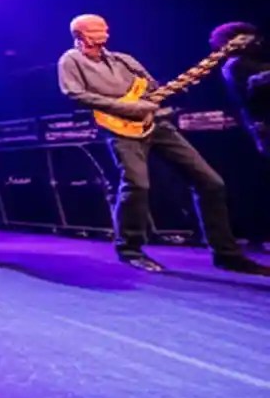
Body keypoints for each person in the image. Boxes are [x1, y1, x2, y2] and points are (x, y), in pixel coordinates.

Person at [57, 14, 266, 274]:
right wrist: (125, 108)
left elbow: (152, 88)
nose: (105, 33)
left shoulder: (125, 60)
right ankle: (130, 249)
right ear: (81, 35)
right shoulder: (71, 60)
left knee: (210, 182)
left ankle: (226, 253)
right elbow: (74, 93)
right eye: (98, 29)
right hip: (118, 128)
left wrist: (173, 91)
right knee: (136, 184)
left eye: (106, 28)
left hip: (156, 124)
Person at [212, 21, 270, 249]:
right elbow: (256, 85)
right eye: (250, 38)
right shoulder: (235, 65)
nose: (257, 42)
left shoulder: (253, 63)